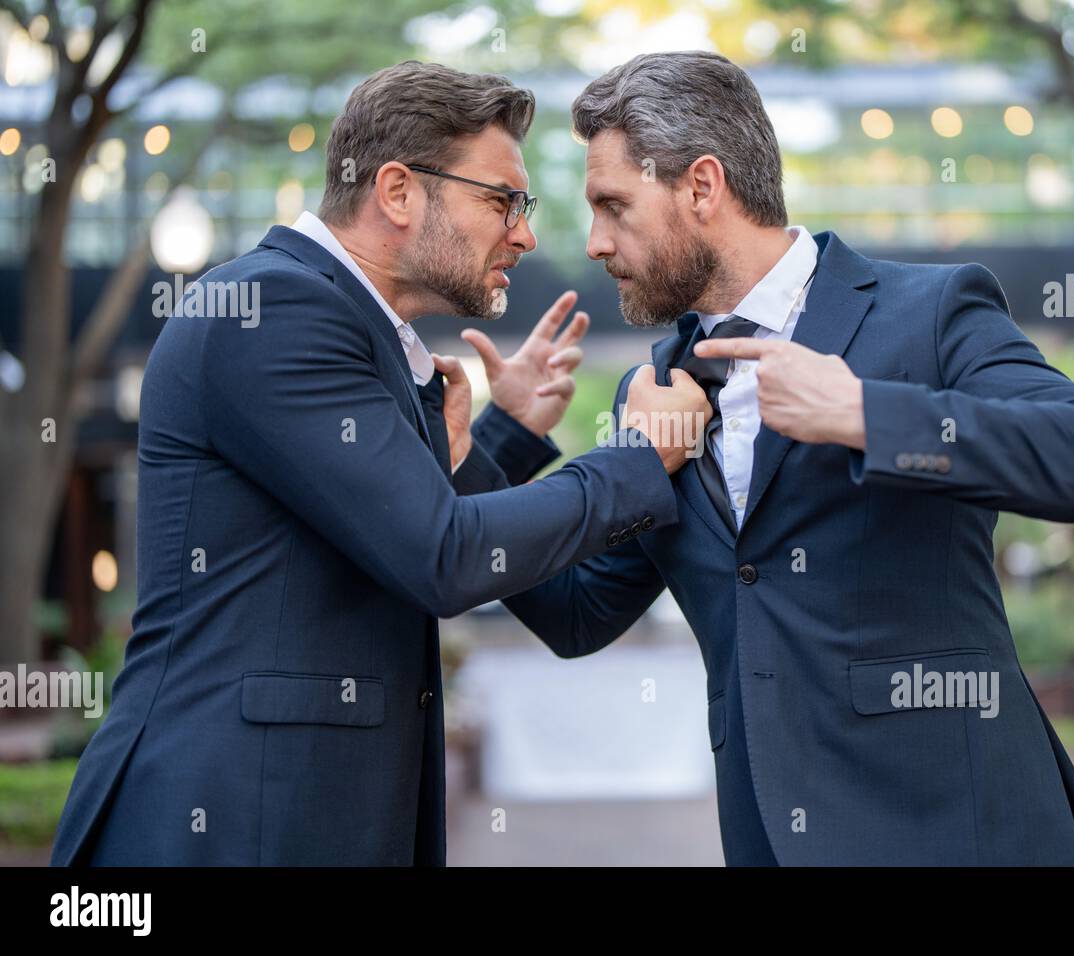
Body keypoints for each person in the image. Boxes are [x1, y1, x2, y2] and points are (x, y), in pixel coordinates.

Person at [466, 51, 1074, 866]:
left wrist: (863, 414)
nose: (594, 242)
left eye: (614, 206)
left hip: (963, 832)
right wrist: (481, 450)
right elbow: (579, 614)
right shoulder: (649, 394)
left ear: (703, 187)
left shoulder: (929, 314)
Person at [50, 60, 708, 866]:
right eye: (502, 200)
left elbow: (391, 535)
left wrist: (498, 441)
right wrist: (638, 459)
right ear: (397, 191)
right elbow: (439, 554)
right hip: (226, 824)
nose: (525, 234)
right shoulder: (277, 311)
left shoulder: (361, 336)